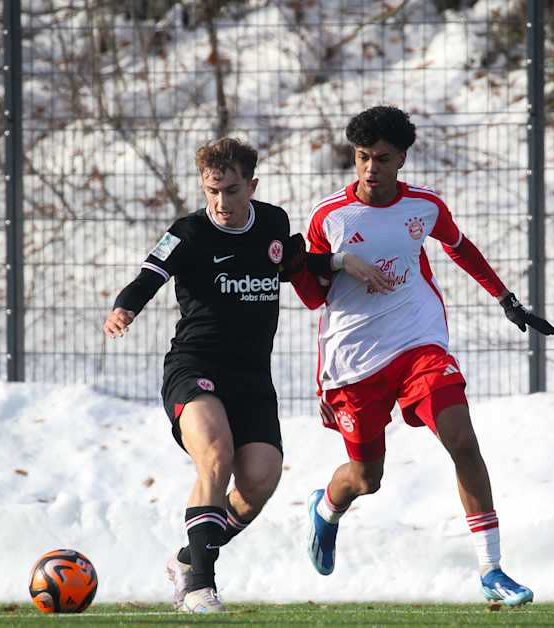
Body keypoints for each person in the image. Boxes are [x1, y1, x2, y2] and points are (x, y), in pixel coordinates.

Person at [287, 106, 554, 607]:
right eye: (363, 157)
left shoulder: (425, 207)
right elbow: (311, 294)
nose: (371, 168)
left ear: (402, 159)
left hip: (419, 343)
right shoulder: (331, 216)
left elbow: (459, 246)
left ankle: (491, 570)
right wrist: (335, 264)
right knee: (367, 477)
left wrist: (505, 299)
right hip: (354, 359)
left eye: (382, 158)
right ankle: (326, 507)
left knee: (462, 439)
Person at [105, 137, 384, 614]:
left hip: (252, 378)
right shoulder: (189, 232)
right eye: (212, 191)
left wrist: (340, 261)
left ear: (251, 186)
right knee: (215, 454)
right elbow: (150, 275)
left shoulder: (273, 223)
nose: (221, 203)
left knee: (259, 481)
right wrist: (123, 308)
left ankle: (187, 558)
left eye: (231, 191)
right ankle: (199, 588)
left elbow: (292, 266)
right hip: (194, 368)